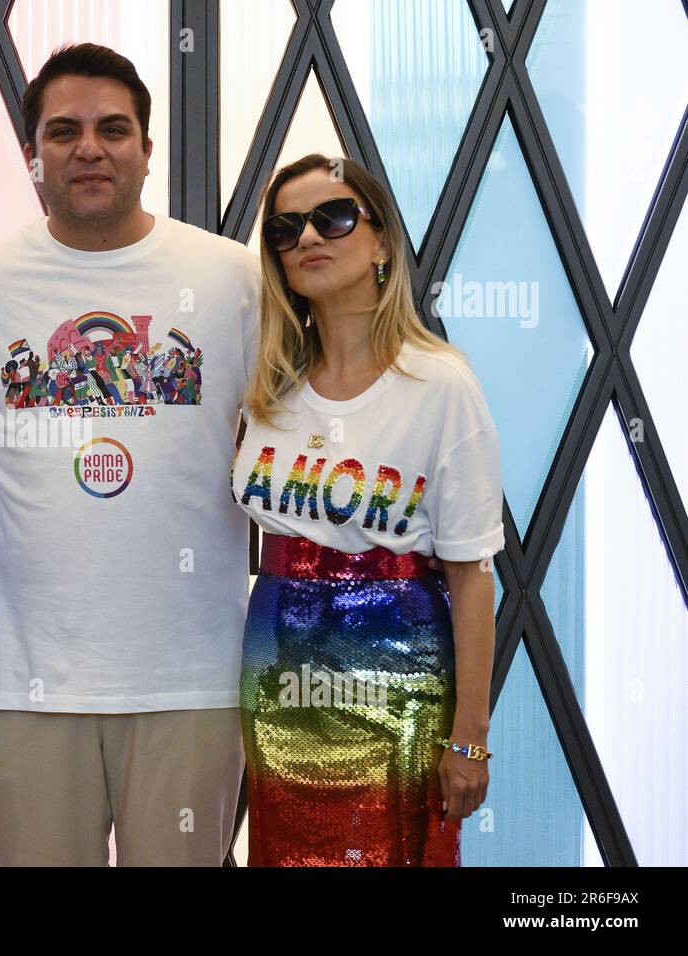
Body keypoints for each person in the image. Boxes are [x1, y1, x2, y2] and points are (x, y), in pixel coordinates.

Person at [0, 43, 260, 866]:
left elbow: (311, 423)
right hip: (29, 682)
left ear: (147, 149)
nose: (89, 147)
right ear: (32, 154)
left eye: (114, 129)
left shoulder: (231, 280)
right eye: (64, 130)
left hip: (192, 680)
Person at [231, 153, 501, 866]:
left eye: (335, 217)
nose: (309, 238)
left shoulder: (440, 383)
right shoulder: (269, 389)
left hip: (397, 675)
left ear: (382, 240)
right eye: (286, 230)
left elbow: (474, 576)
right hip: (278, 668)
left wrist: (469, 739)